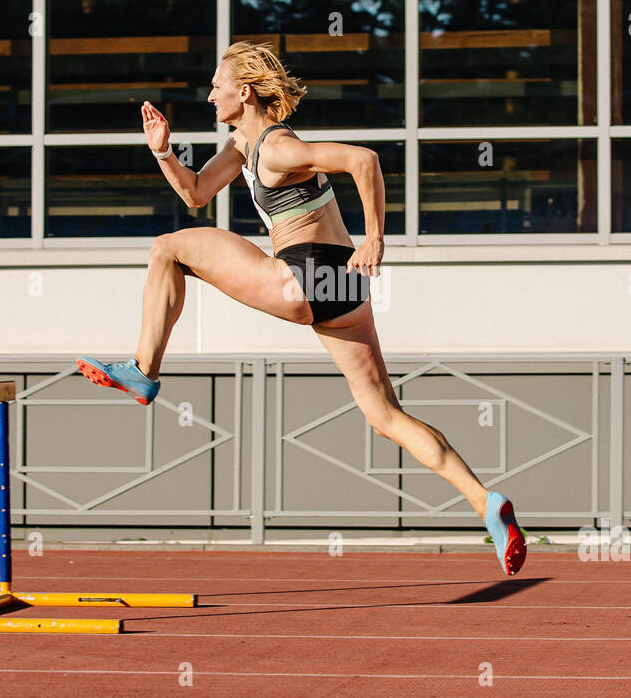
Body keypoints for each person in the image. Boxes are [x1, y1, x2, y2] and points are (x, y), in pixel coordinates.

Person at [77, 41, 526, 576]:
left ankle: (144, 371)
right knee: (385, 415)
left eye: (217, 86)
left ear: (244, 92)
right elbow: (196, 193)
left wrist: (376, 238)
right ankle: (485, 502)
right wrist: (162, 152)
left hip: (304, 277)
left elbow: (364, 160)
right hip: (345, 289)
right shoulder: (242, 145)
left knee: (166, 248)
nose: (209, 96)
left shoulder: (275, 148)